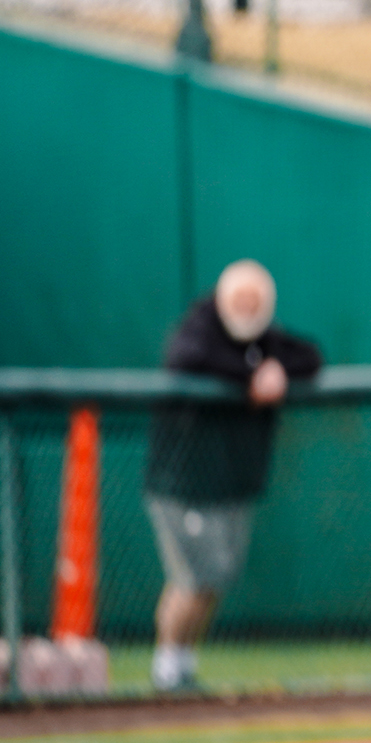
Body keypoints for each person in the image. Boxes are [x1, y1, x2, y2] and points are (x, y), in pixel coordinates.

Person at [144, 260, 321, 692]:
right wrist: (251, 377)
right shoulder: (200, 328)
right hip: (181, 483)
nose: (246, 308)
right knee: (194, 577)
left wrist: (276, 370)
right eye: (239, 299)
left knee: (215, 578)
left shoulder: (267, 340)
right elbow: (187, 357)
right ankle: (166, 665)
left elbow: (311, 356)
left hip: (231, 482)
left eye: (254, 300)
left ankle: (183, 662)